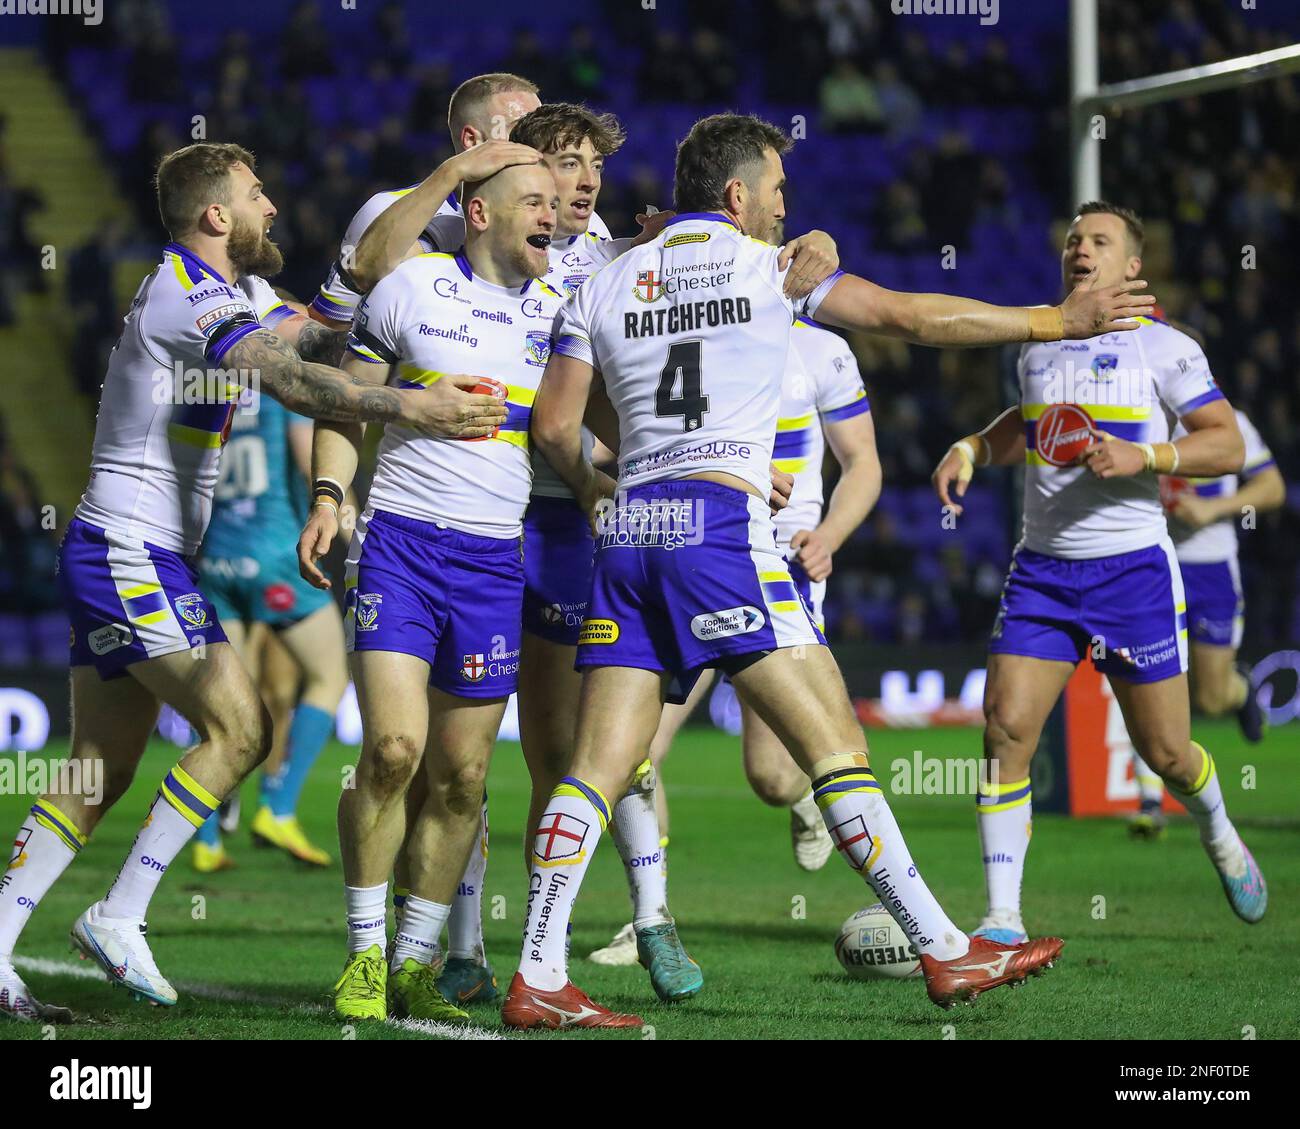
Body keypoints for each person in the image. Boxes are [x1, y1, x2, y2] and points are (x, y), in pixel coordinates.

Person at [499, 112, 1151, 1030]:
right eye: (775, 189)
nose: (784, 206)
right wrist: (1058, 320)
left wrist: (620, 480)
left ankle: (537, 972)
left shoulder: (602, 285)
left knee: (596, 768)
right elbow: (912, 317)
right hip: (720, 534)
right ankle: (946, 949)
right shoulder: (770, 270)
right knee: (836, 749)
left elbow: (556, 427)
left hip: (630, 530)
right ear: (737, 196)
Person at [0, 141, 505, 1023]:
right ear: (215, 216)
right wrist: (409, 405)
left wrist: (400, 274)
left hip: (132, 547)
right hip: (129, 545)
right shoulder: (184, 293)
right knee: (239, 727)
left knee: (99, 769)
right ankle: (119, 913)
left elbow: (323, 334)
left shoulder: (240, 295)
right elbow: (292, 380)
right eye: (256, 194)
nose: (272, 206)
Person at [931, 201, 1267, 943]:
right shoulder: (1040, 341)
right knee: (1004, 729)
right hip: (1042, 573)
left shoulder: (1165, 349)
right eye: (1074, 240)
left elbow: (1227, 445)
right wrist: (973, 448)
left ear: (1132, 267)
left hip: (1133, 575)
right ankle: (1003, 918)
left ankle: (1217, 826)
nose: (1081, 249)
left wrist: (1145, 457)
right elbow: (1030, 424)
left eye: (1100, 240)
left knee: (1169, 755)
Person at [298, 155, 568, 1025]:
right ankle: (365, 957)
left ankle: (416, 963)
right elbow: (343, 402)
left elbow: (574, 434)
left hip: (496, 561)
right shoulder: (410, 290)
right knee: (393, 749)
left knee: (462, 776)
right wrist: (330, 498)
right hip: (401, 547)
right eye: (535, 201)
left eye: (556, 205)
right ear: (479, 211)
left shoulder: (565, 312)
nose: (552, 216)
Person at [589, 315, 882, 966]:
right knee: (636, 749)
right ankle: (650, 919)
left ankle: (809, 799)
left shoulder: (822, 350)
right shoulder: (688, 334)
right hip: (687, 559)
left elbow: (862, 462)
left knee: (774, 776)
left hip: (779, 571)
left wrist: (829, 534)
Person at [191, 381, 349, 872]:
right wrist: (348, 520)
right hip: (274, 557)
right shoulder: (286, 391)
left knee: (219, 704)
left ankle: (206, 837)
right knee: (329, 676)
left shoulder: (200, 387)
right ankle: (277, 809)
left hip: (216, 559)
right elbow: (311, 465)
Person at [1129, 407, 1284, 836]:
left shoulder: (1228, 421)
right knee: (1146, 679)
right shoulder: (1137, 412)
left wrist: (1214, 508)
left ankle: (1240, 687)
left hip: (1210, 570)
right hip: (1153, 567)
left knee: (1211, 698)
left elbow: (1272, 488)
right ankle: (1149, 801)